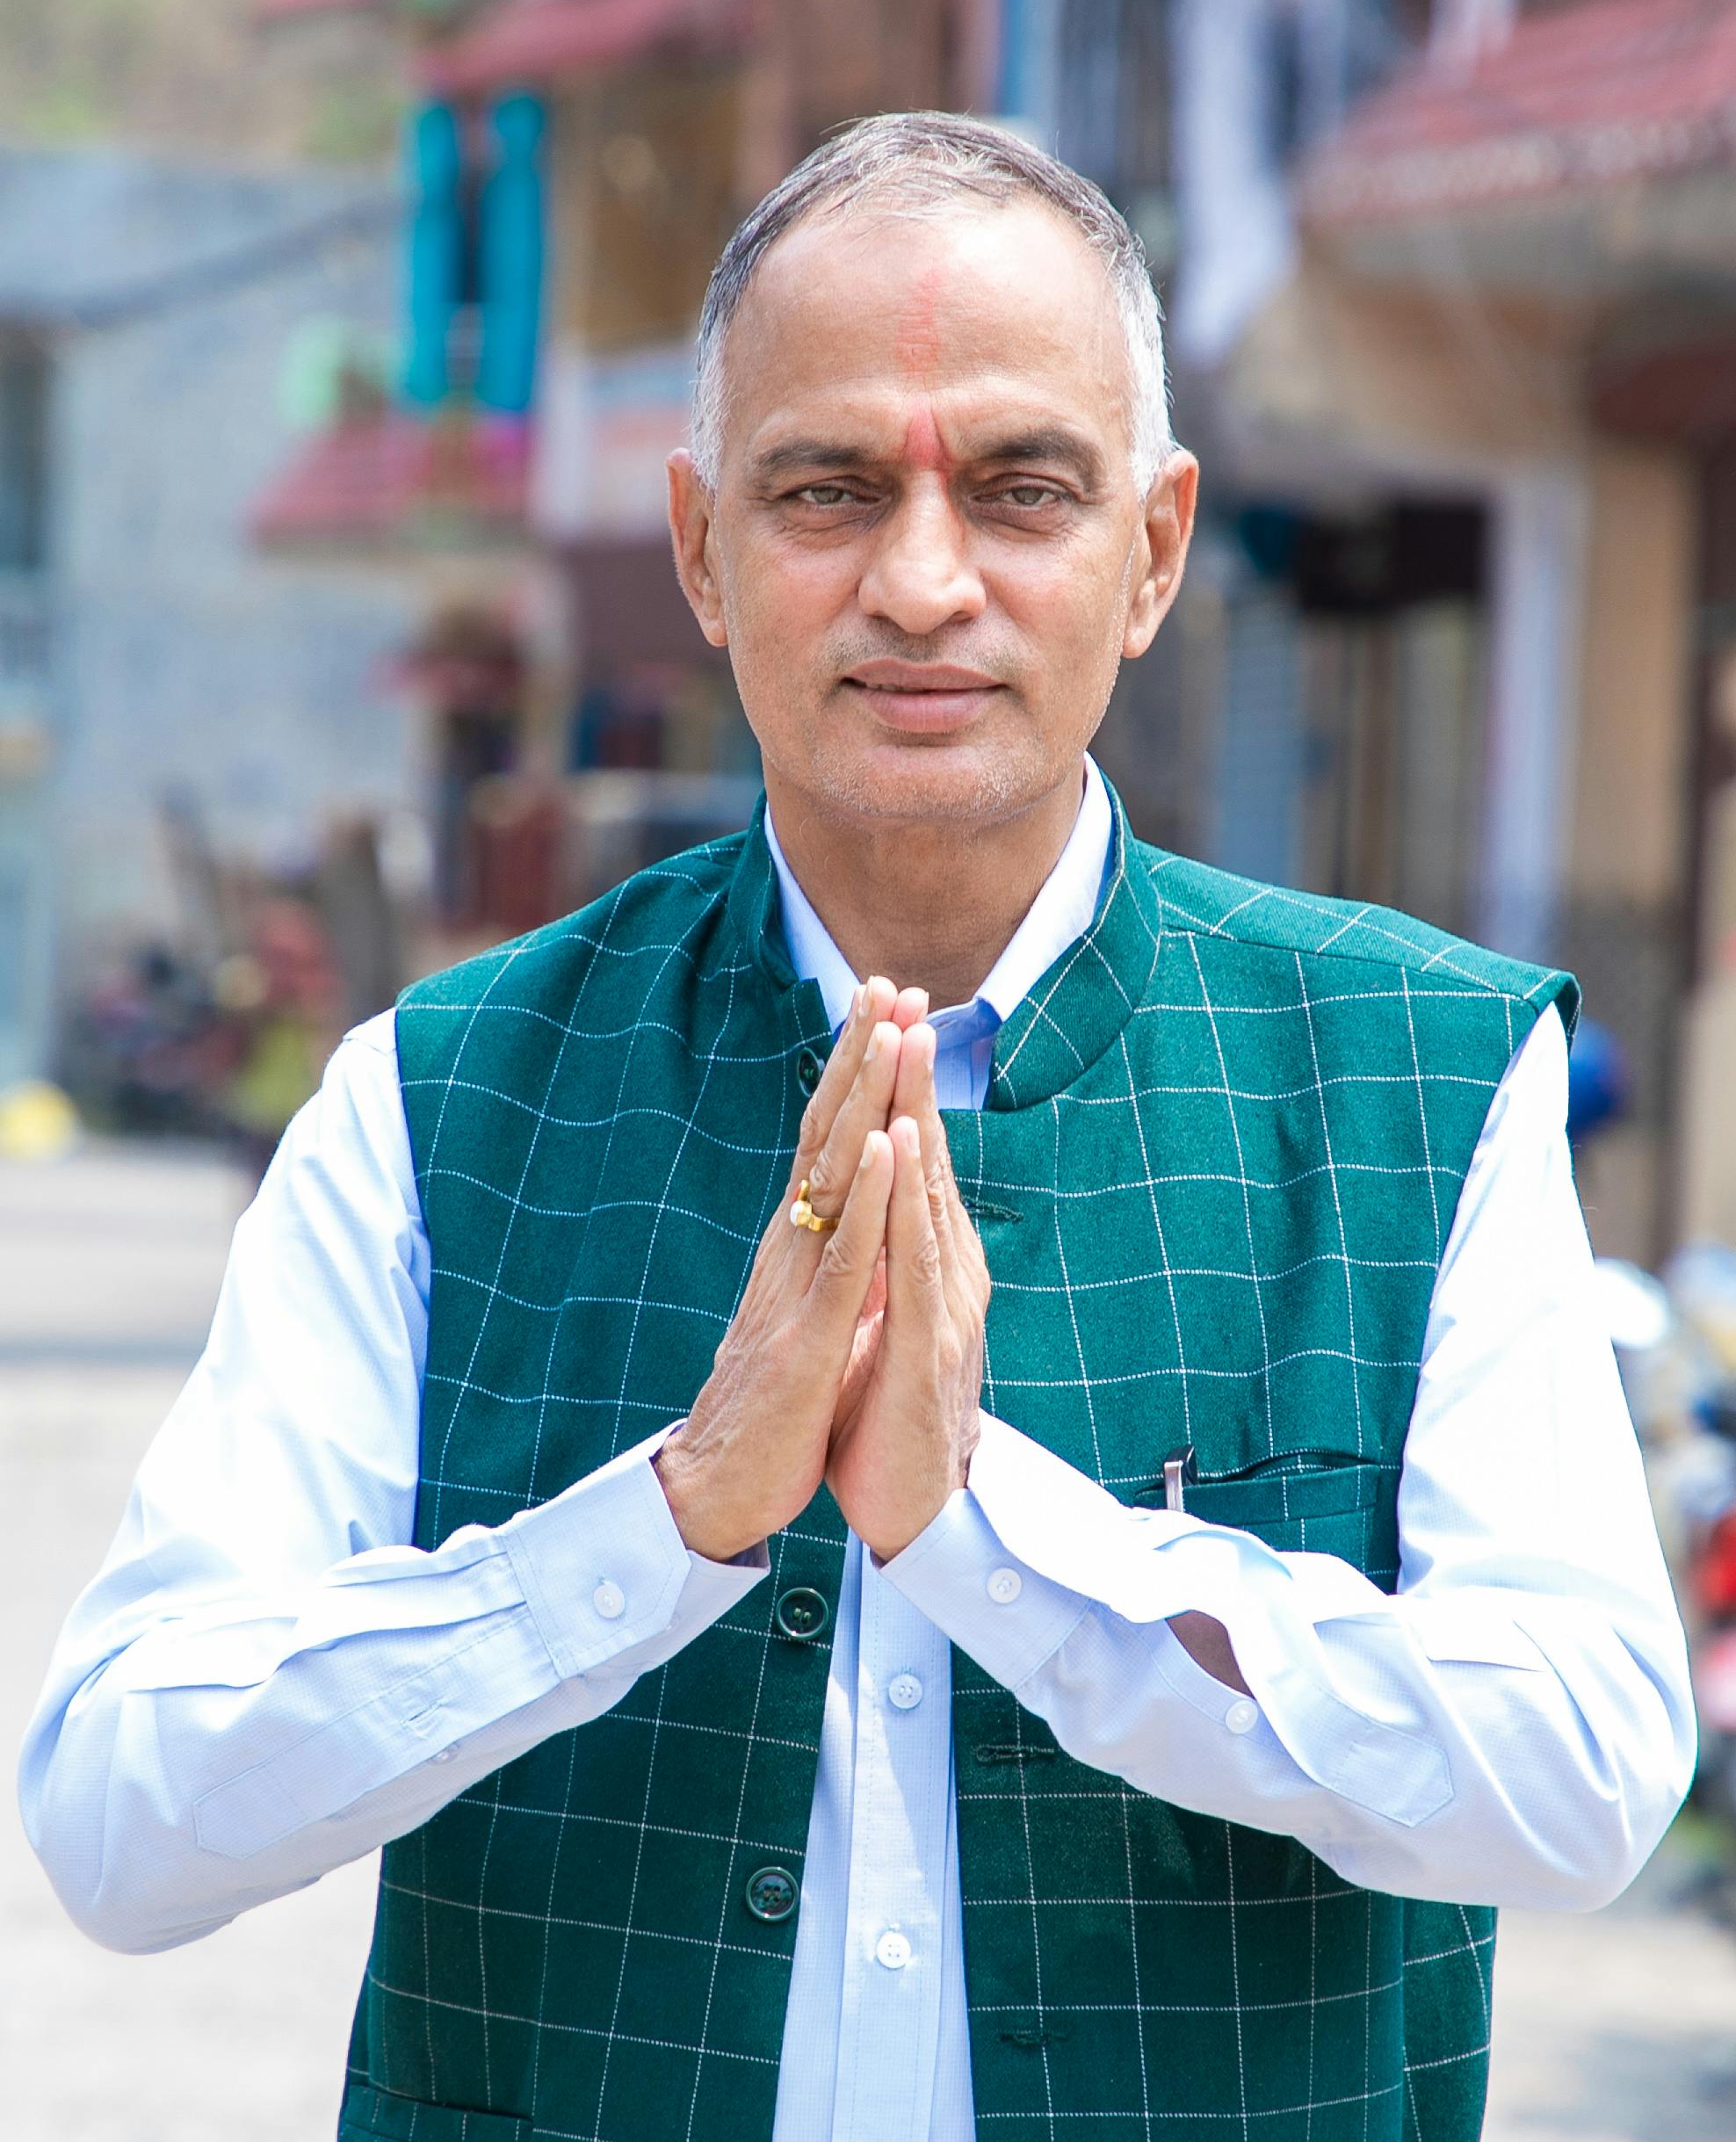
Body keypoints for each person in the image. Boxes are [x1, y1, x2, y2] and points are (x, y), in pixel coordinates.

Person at [22, 113, 1692, 2142]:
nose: (920, 578)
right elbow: (119, 1808)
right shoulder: (436, 1098)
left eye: (1019, 488)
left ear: (1151, 548)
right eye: (824, 488)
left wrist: (999, 1534)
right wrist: (659, 1525)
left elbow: (1589, 1772)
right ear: (702, 548)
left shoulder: (1411, 1079)